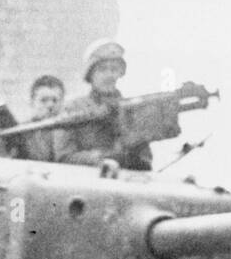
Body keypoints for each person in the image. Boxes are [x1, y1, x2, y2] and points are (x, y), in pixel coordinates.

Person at [54, 39, 152, 172]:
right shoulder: (73, 108)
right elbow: (63, 156)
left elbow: (145, 160)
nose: (109, 75)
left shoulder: (131, 109)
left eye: (114, 69)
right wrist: (99, 159)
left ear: (120, 73)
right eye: (102, 69)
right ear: (90, 74)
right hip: (84, 183)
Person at [10, 75, 65, 163]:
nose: (50, 105)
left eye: (55, 100)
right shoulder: (22, 132)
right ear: (32, 102)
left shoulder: (69, 129)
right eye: (44, 100)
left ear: (62, 102)